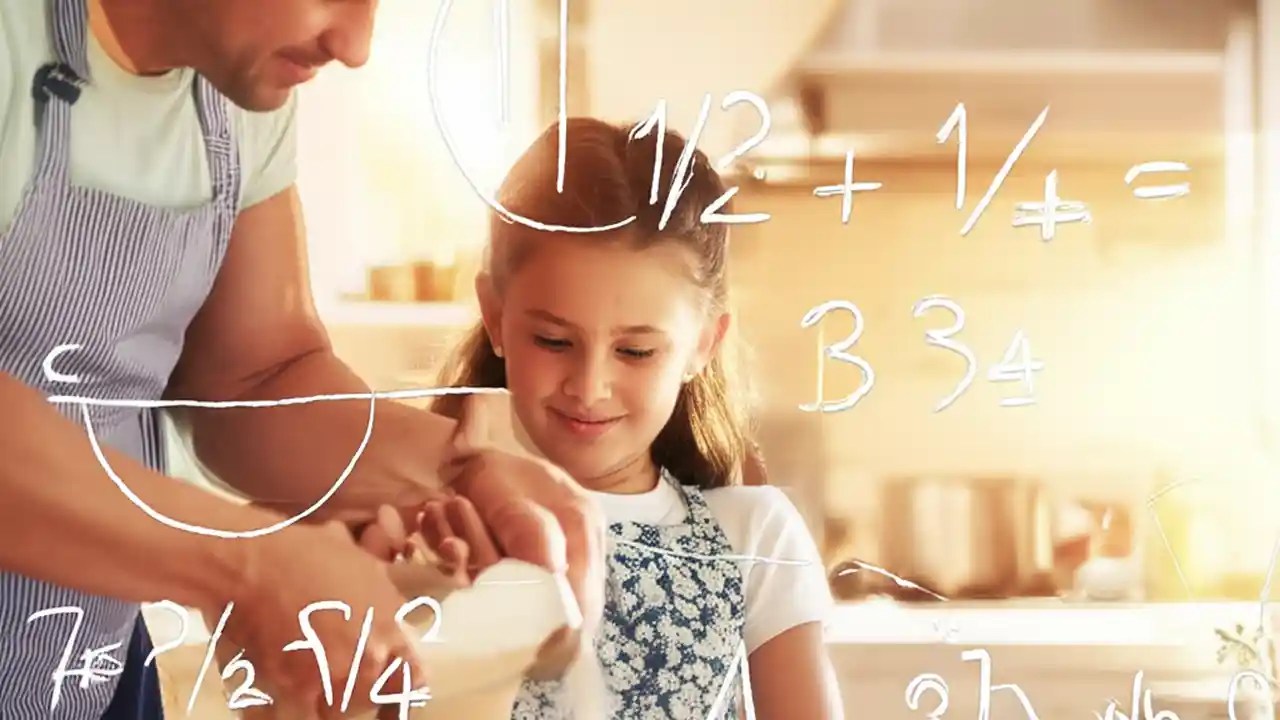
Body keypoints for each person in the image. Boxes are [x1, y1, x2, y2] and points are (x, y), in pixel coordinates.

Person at [0, 0, 606, 718]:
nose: (354, 46)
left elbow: (257, 375)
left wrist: (459, 472)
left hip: (81, 669)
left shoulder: (240, 92)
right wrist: (248, 563)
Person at [422, 117, 845, 718]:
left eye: (636, 351)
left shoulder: (753, 539)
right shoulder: (434, 527)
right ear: (495, 315)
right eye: (552, 340)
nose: (589, 388)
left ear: (703, 344)